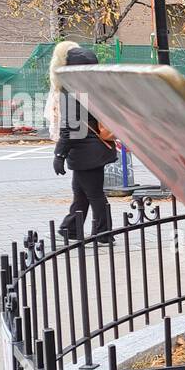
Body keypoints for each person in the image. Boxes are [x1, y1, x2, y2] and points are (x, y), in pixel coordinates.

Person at [52, 45, 117, 243]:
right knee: (81, 192)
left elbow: (70, 127)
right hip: (95, 147)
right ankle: (71, 229)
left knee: (94, 194)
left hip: (85, 150)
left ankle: (103, 234)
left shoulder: (70, 88)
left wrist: (59, 154)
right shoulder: (96, 85)